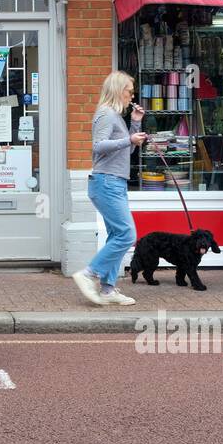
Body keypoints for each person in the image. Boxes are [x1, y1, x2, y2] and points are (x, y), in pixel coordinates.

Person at [72, 71, 147, 306]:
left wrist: (135, 123)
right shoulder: (106, 114)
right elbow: (98, 147)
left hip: (114, 182)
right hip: (107, 182)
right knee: (127, 234)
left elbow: (128, 151)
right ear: (117, 90)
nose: (132, 95)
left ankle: (107, 289)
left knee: (117, 234)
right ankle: (89, 274)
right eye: (129, 91)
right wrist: (129, 139)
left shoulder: (116, 117)